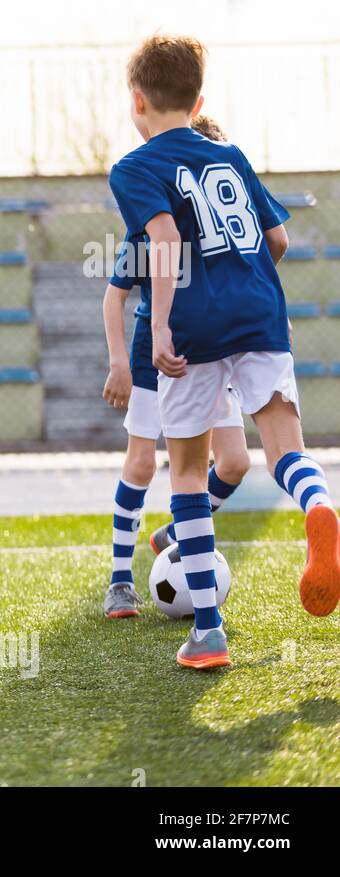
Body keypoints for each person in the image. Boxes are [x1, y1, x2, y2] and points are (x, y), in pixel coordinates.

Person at [108, 35, 340, 669]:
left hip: (193, 330)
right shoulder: (230, 153)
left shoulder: (134, 167)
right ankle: (321, 509)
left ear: (137, 102)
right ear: (199, 98)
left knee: (185, 473)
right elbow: (280, 240)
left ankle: (208, 633)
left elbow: (162, 239)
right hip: (262, 314)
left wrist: (157, 329)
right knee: (287, 451)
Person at [99, 114, 249, 619]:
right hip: (152, 351)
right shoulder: (150, 223)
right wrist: (119, 361)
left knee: (234, 462)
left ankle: (172, 532)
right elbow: (114, 296)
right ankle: (120, 580)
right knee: (142, 463)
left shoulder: (222, 233)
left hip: (209, 345)